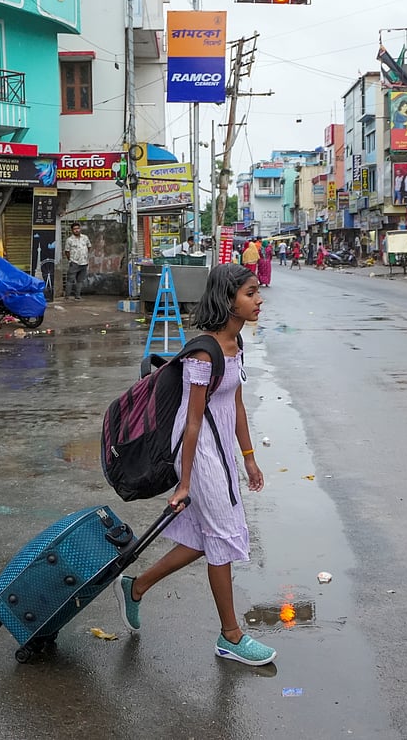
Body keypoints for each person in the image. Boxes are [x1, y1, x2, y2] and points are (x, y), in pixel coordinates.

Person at [114, 264, 275, 666]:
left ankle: (136, 585)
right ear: (228, 299)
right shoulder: (204, 351)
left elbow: (235, 403)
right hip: (199, 448)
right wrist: (184, 483)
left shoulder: (236, 345)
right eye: (250, 293)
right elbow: (192, 420)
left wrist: (250, 458)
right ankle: (230, 636)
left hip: (220, 449)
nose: (259, 300)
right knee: (221, 536)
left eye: (257, 292)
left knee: (207, 539)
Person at [63, 222, 92, 300]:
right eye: (74, 229)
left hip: (84, 262)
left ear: (80, 229)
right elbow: (67, 251)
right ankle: (67, 296)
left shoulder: (85, 238)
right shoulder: (69, 240)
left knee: (80, 280)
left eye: (78, 228)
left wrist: (85, 256)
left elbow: (89, 247)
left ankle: (77, 296)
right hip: (74, 262)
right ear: (72, 230)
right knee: (70, 280)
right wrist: (71, 260)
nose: (76, 230)